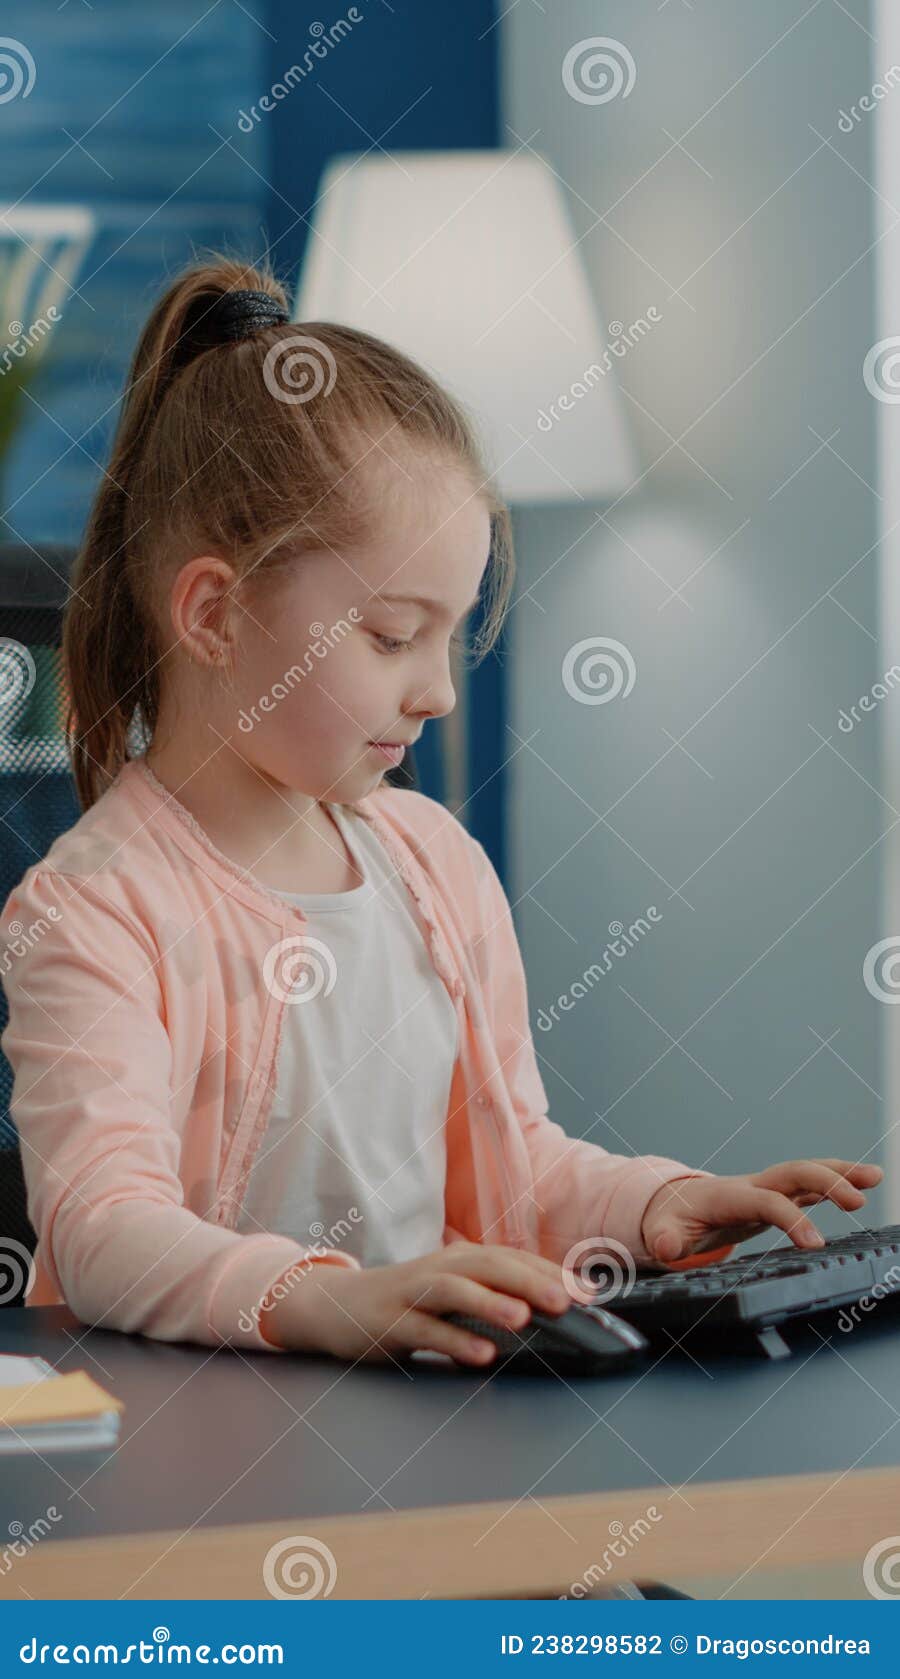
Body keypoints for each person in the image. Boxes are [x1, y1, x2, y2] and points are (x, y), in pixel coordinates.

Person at [0, 256, 882, 1366]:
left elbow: (524, 1165)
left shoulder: (434, 864)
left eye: (450, 633)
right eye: (388, 636)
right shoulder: (94, 911)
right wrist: (327, 1298)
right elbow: (102, 1230)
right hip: (197, 1477)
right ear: (216, 614)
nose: (438, 690)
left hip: (424, 1431)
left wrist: (653, 1206)